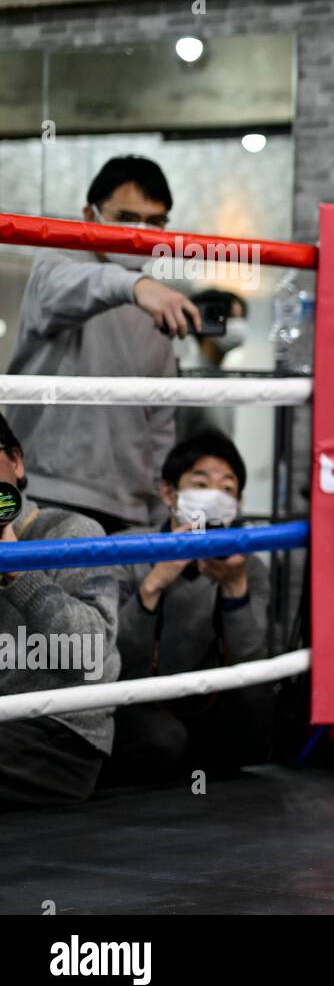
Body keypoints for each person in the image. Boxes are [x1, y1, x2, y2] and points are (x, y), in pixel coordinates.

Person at [5, 155, 202, 532]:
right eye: (126, 218)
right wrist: (135, 287)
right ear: (90, 216)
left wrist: (162, 512)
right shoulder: (56, 264)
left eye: (155, 222)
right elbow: (71, 287)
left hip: (129, 508)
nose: (140, 233)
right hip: (43, 496)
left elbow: (159, 420)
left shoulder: (157, 302)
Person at [99, 429, 273, 786]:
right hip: (134, 701)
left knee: (260, 722)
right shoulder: (125, 551)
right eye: (201, 483)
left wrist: (234, 587)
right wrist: (153, 585)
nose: (215, 496)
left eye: (227, 488)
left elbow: (253, 671)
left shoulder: (248, 565)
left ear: (238, 503)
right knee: (163, 741)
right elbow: (108, 662)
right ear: (168, 492)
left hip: (206, 702)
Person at [0, 411, 122, 809]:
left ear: (16, 461)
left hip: (60, 736)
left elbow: (88, 656)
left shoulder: (74, 533)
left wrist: (18, 573)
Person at [175, 289, 249, 441]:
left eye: (241, 318)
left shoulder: (222, 377)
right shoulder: (190, 378)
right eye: (230, 318)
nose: (238, 326)